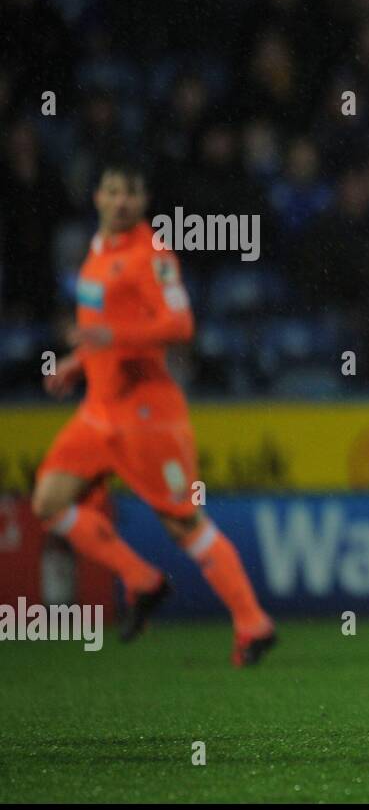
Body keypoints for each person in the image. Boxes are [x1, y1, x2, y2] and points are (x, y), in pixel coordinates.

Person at [32, 161, 277, 667]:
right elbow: (102, 325)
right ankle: (142, 579)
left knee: (182, 521)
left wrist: (110, 340)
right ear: (97, 196)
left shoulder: (152, 255)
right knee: (48, 501)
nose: (122, 201)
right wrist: (79, 363)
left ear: (143, 202)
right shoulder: (98, 252)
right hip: (99, 409)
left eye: (132, 193)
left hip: (147, 410)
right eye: (114, 191)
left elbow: (180, 324)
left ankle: (253, 622)